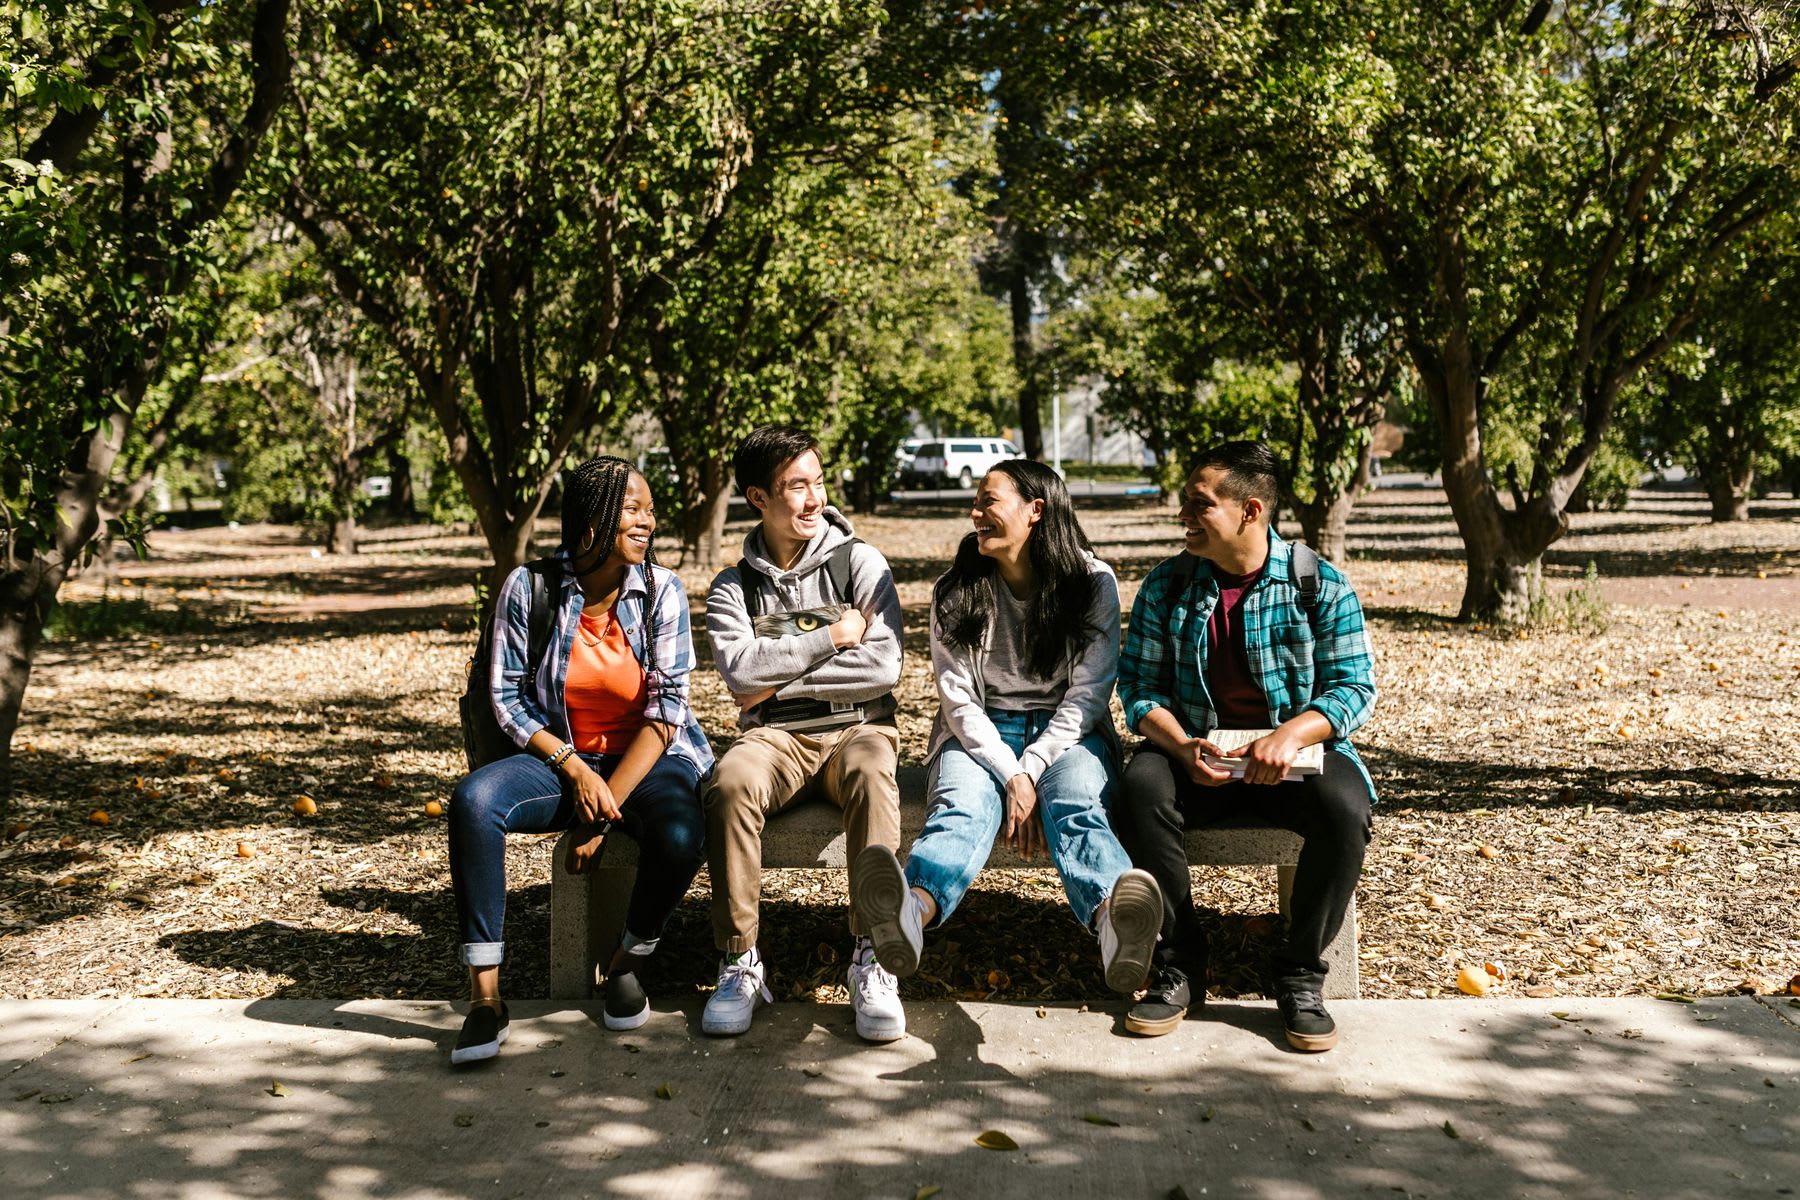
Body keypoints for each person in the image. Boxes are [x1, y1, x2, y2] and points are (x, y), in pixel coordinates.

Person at [851, 460, 1164, 1000]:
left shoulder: (1092, 584)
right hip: (977, 733)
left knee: (1075, 801)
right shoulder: (957, 589)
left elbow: (1089, 695)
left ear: (1035, 511)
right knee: (962, 809)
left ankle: (1118, 924)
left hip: (1068, 732)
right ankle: (910, 911)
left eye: (987, 501)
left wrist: (1034, 768)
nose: (975, 514)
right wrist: (1012, 774)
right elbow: (958, 700)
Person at [446, 455, 712, 1065]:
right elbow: (507, 699)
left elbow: (667, 712)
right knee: (474, 802)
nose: (649, 519)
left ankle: (625, 963)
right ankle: (485, 1000)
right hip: (560, 756)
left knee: (678, 832)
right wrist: (574, 769)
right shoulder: (529, 587)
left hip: (646, 759)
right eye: (634, 508)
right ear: (592, 523)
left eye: (649, 508)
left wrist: (598, 814)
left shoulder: (661, 591)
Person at [1114, 441, 1376, 1051]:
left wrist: (1288, 736)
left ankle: (1300, 975)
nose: (1183, 516)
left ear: (1250, 510)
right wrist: (1180, 747)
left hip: (1292, 758)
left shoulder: (1318, 583)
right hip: (1198, 757)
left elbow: (1354, 688)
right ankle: (1180, 964)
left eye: (1198, 504)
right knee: (1139, 787)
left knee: (1347, 809)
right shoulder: (1169, 585)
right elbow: (1140, 688)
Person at [702, 425, 906, 1041]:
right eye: (797, 487)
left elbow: (885, 666)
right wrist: (830, 638)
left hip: (858, 727)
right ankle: (740, 960)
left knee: (874, 774)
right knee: (730, 781)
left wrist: (777, 676)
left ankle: (873, 955)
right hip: (774, 740)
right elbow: (738, 673)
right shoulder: (732, 588)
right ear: (759, 498)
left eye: (818, 482)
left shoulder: (860, 562)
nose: (814, 498)